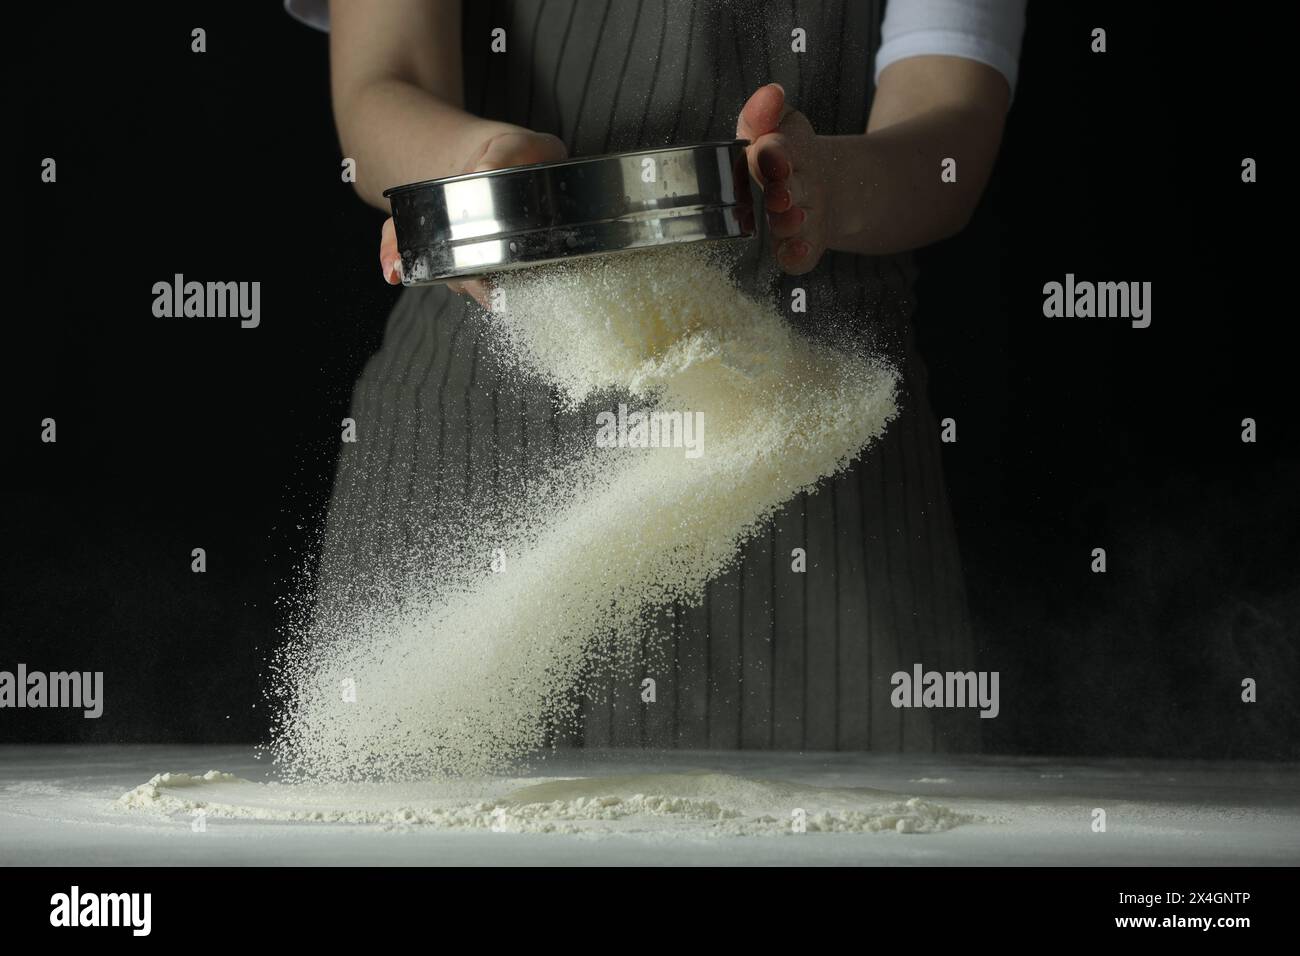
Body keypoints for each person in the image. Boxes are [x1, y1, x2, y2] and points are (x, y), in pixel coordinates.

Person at [287, 0, 1026, 752]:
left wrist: (826, 184)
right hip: (470, 432)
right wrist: (481, 175)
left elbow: (949, 118)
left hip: (803, 448)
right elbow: (386, 80)